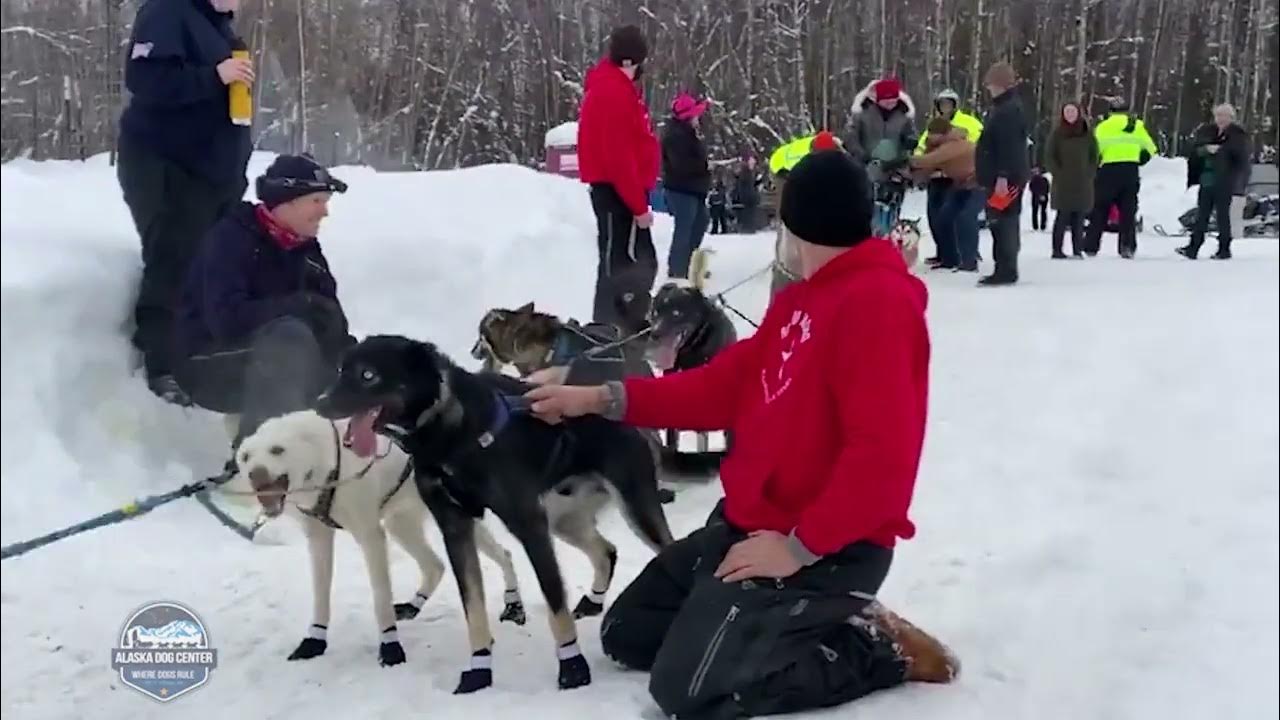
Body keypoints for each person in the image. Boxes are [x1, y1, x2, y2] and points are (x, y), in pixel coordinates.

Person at [524, 150, 958, 719]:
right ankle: (747, 624)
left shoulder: (878, 305)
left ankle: (872, 648)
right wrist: (598, 398)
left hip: (824, 549)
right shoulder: (803, 300)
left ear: (797, 228)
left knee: (688, 691)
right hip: (747, 524)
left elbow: (883, 461)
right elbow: (723, 387)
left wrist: (799, 548)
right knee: (630, 633)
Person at [117, 0, 254, 404]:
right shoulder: (167, 11)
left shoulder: (219, 28)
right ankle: (162, 367)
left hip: (214, 175)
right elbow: (145, 79)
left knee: (213, 267)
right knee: (175, 261)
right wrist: (215, 75)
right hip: (168, 165)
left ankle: (201, 361)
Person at [171, 155, 353, 450]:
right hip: (206, 362)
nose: (325, 212)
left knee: (344, 363)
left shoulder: (306, 250)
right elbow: (226, 321)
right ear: (287, 202)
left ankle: (330, 456)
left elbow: (330, 319)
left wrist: (359, 366)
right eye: (317, 201)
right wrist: (298, 306)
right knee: (289, 341)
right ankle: (256, 457)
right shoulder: (231, 239)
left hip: (279, 360)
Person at [577, 25, 660, 336]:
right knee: (618, 266)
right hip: (617, 191)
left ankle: (624, 326)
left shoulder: (616, 88)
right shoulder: (612, 92)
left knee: (630, 262)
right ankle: (607, 331)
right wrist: (638, 206)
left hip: (622, 190)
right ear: (630, 61)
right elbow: (618, 156)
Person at [974, 62, 1029, 286]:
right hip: (1001, 177)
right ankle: (1004, 267)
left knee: (1004, 220)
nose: (989, 87)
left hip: (1007, 179)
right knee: (999, 219)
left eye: (992, 83)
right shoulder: (1002, 107)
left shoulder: (1008, 110)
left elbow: (1009, 147)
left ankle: (1006, 269)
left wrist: (1003, 176)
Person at [915, 89, 984, 269]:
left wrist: (912, 162)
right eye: (942, 104)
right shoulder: (934, 125)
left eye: (948, 103)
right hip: (942, 178)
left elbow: (933, 157)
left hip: (964, 180)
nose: (945, 107)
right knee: (938, 217)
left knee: (961, 217)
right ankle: (946, 255)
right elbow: (923, 148)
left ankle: (965, 256)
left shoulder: (967, 124)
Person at [1083, 99, 1158, 258]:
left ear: (1110, 112)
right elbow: (1151, 149)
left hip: (1108, 171)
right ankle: (1127, 246)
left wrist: (1097, 166)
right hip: (1130, 171)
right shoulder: (1136, 126)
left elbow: (1093, 152)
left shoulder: (1103, 127)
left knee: (1100, 210)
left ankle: (1091, 246)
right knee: (1128, 211)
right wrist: (1139, 159)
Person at [1177, 104, 1250, 260]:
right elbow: (1195, 150)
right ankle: (1193, 247)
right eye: (1218, 115)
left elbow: (1239, 157)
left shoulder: (1237, 135)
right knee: (1202, 215)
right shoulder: (1207, 132)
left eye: (1224, 116)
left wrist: (1219, 151)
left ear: (1231, 118)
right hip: (1207, 180)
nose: (1221, 119)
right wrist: (1205, 150)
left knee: (1222, 216)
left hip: (1225, 180)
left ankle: (1224, 248)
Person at [661, 92, 712, 278]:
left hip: (694, 189)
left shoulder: (689, 134)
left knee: (700, 223)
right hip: (681, 189)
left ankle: (689, 264)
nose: (698, 118)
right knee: (684, 229)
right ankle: (677, 269)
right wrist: (704, 166)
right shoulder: (676, 136)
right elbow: (681, 165)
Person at [1044, 102, 1100, 258]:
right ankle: (1057, 250)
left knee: (1079, 218)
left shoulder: (1087, 134)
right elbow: (1049, 156)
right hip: (1063, 182)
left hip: (1082, 182)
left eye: (1072, 111)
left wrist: (1090, 173)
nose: (1070, 114)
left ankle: (1077, 249)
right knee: (1062, 217)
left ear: (1078, 113)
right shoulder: (1057, 134)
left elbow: (1094, 155)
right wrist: (1057, 172)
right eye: (1067, 112)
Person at [732, 155, 764, 232]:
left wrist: (758, 181)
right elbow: (746, 183)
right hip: (748, 195)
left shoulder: (750, 171)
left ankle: (749, 228)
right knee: (749, 212)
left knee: (750, 212)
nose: (753, 163)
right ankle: (748, 228)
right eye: (752, 161)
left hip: (749, 195)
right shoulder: (746, 171)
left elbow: (751, 184)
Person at [1029, 167, 1050, 231]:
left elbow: (1047, 188)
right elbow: (1031, 188)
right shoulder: (1036, 180)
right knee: (1038, 211)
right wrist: (1042, 194)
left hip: (1038, 197)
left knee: (1040, 211)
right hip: (1039, 197)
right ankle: (1038, 226)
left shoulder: (1041, 179)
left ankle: (1040, 226)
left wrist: (1042, 194)